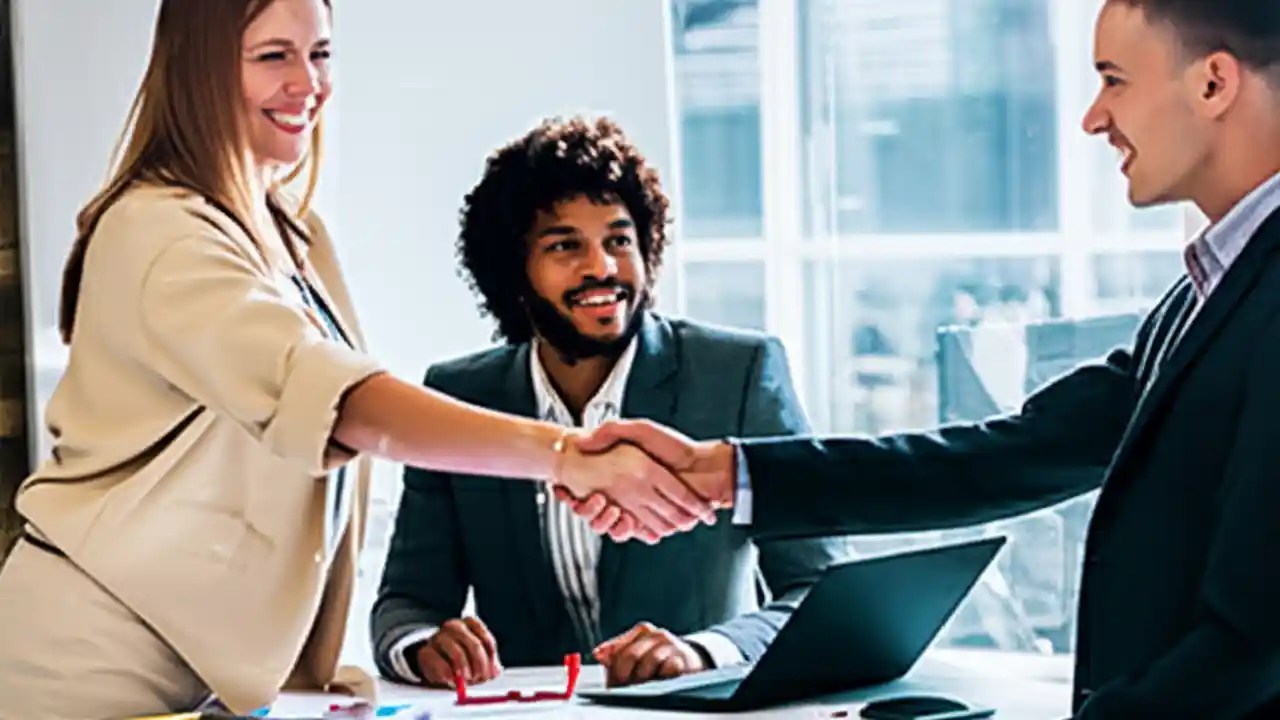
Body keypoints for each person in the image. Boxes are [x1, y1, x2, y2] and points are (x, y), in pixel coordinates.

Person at [0, 2, 713, 718]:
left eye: (321, 54)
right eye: (273, 56)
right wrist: (567, 454)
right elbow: (339, 401)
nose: (308, 82)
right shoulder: (159, 232)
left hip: (207, 671)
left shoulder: (290, 233)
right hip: (92, 663)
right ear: (202, 66)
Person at [568, 1, 1280, 717]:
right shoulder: (1208, 290)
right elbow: (1011, 454)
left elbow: (1253, 641)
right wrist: (725, 473)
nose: (1093, 118)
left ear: (1213, 84)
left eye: (1114, 79)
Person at [370, 117, 849, 690]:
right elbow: (406, 602)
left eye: (619, 240)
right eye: (565, 245)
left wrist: (703, 652)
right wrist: (425, 645)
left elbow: (820, 591)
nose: (601, 267)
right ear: (513, 270)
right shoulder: (458, 399)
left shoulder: (738, 375)